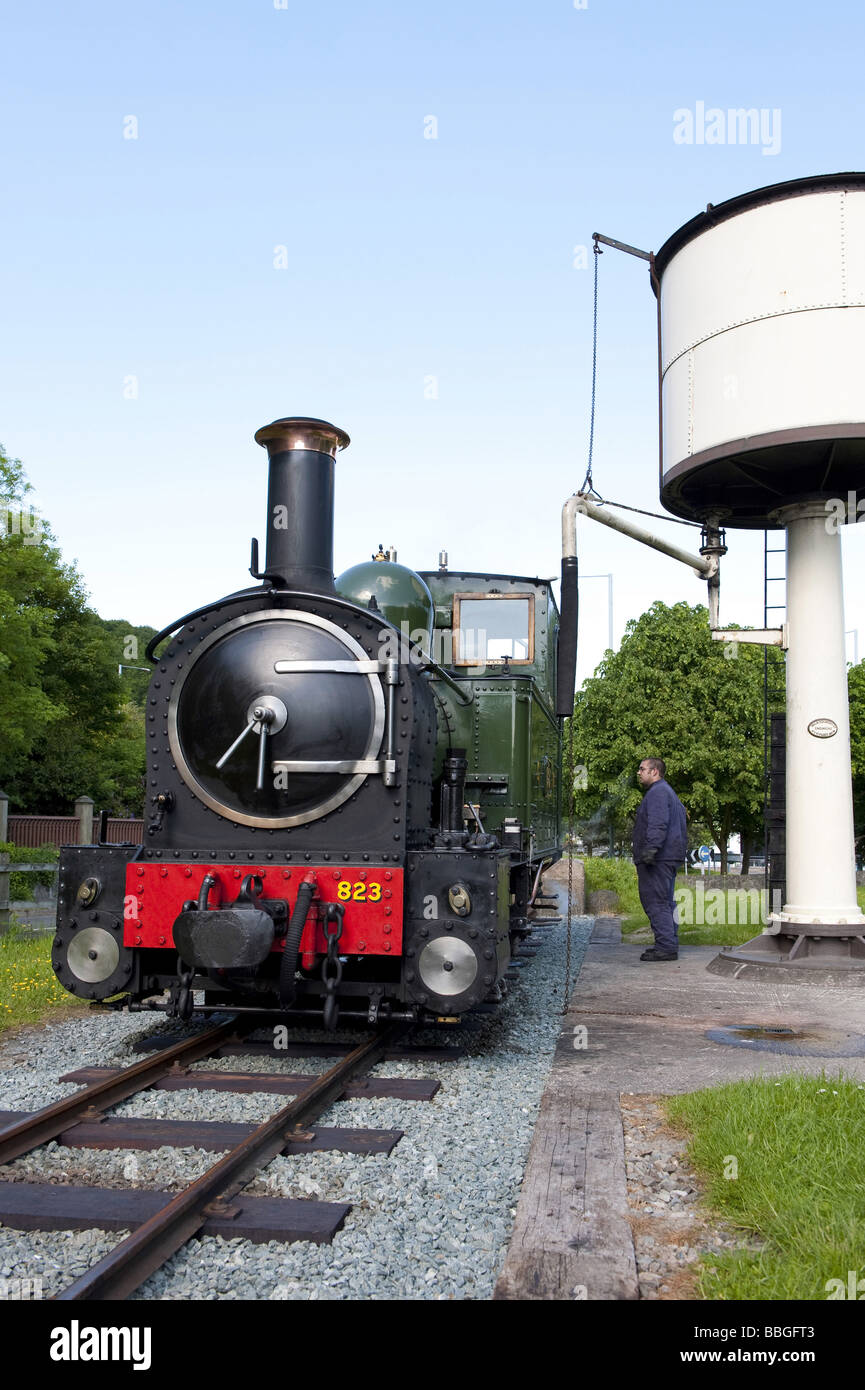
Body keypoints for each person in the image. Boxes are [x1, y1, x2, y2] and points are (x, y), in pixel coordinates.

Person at [632, 757, 687, 961]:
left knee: (655, 901)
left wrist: (651, 849)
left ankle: (665, 946)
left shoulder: (657, 793)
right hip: (668, 857)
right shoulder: (668, 792)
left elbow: (658, 823)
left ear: (654, 771)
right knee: (665, 901)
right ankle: (669, 942)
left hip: (658, 858)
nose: (639, 772)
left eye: (642, 769)